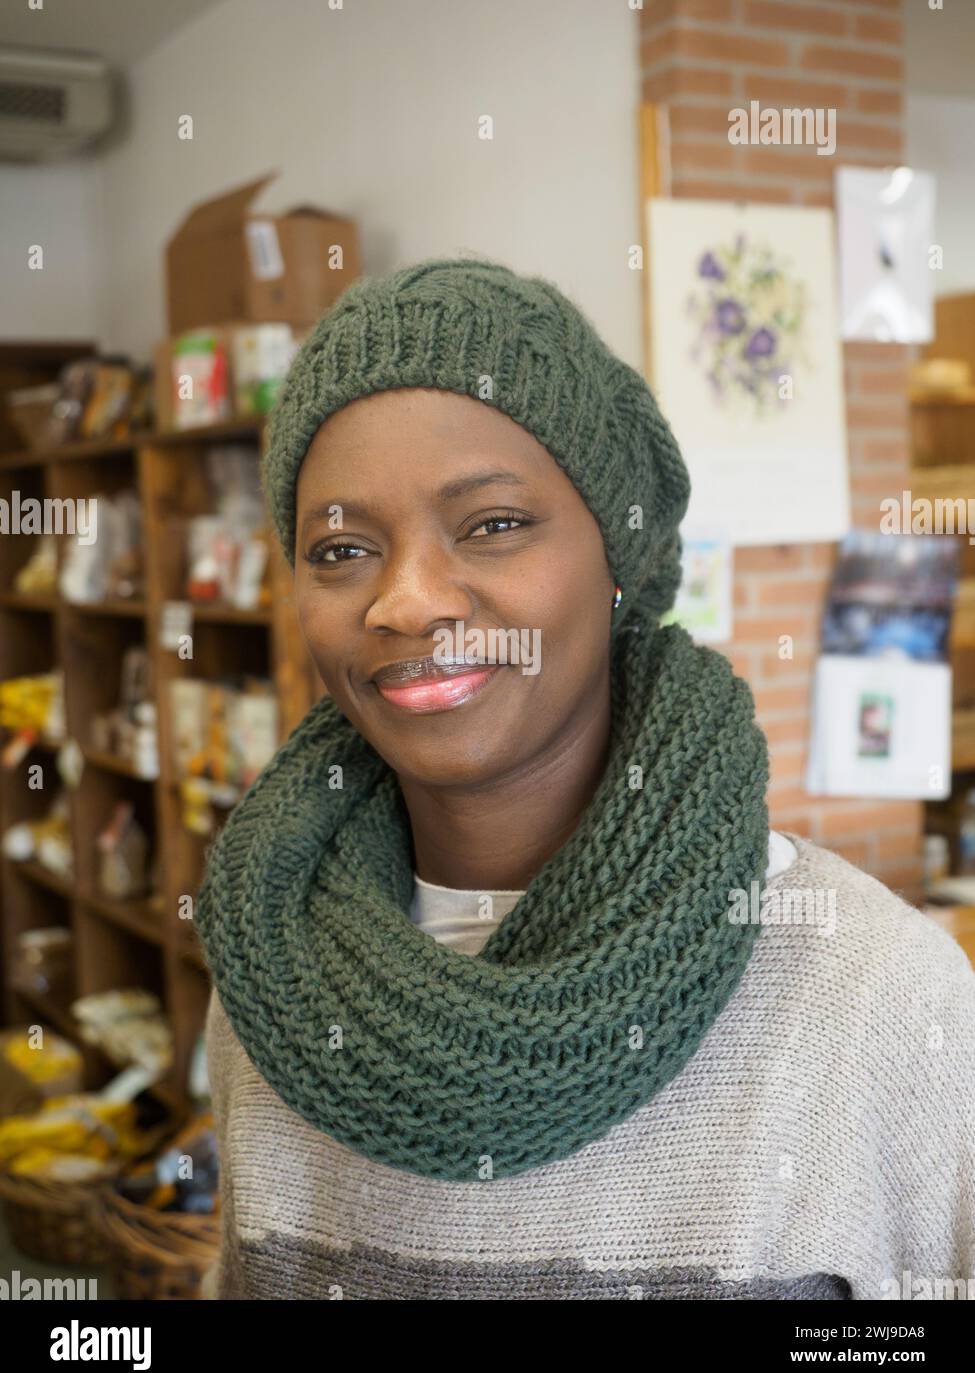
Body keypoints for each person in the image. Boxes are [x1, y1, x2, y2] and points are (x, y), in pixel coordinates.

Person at [196, 257, 975, 1301]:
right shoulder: (271, 961)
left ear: (622, 560)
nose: (408, 602)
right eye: (340, 547)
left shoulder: (872, 992)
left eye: (493, 524)